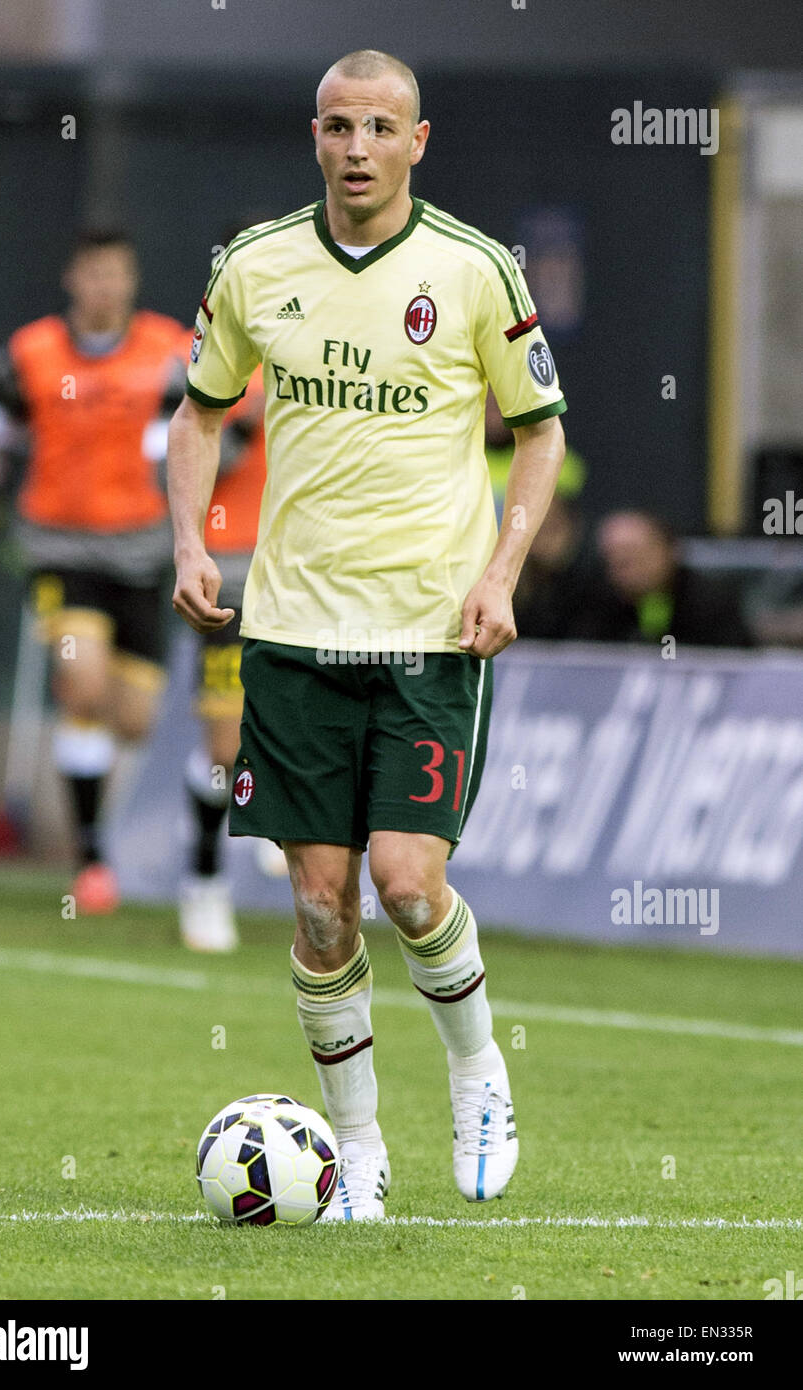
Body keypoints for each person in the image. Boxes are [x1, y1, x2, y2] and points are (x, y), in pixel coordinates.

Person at [168, 49, 567, 1218]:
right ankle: (357, 1152)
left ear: (417, 141)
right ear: (314, 136)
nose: (356, 148)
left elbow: (537, 432)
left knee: (405, 883)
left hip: (431, 632)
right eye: (337, 126)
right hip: (291, 629)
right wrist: (191, 542)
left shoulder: (476, 270)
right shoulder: (253, 266)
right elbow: (197, 412)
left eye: (378, 128)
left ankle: (475, 1068)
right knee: (317, 902)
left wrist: (502, 572)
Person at [0, 229, 189, 913]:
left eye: (116, 274)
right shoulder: (32, 353)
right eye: (93, 274)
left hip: (141, 552)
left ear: (133, 280)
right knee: (80, 681)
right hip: (58, 548)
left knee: (136, 717)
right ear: (71, 278)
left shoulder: (168, 352)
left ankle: (105, 837)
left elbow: (209, 426)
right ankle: (92, 858)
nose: (104, 287)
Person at [178, 360, 266, 951]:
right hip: (233, 569)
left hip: (317, 573)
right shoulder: (219, 361)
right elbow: (169, 453)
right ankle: (205, 878)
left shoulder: (348, 351)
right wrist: (245, 425)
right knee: (224, 746)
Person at [585, 510, 753, 647]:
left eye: (635, 555)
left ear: (669, 550)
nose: (624, 568)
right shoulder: (596, 602)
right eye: (614, 559)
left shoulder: (710, 602)